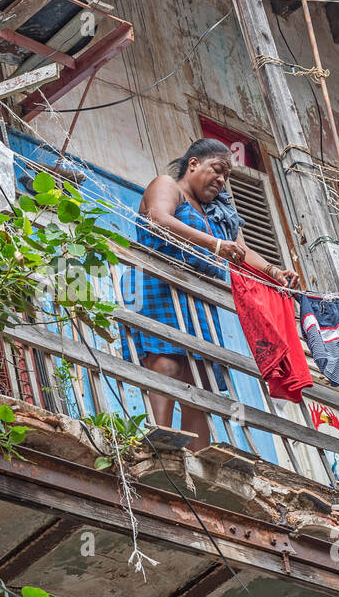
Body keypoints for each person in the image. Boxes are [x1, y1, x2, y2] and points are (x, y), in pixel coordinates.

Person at [124, 138, 299, 449]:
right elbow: (158, 218)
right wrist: (216, 245)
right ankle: (159, 442)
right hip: (162, 288)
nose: (221, 180)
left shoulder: (215, 215)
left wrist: (274, 271)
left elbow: (241, 251)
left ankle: (198, 453)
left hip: (199, 304)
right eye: (217, 170)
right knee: (167, 363)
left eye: (226, 176)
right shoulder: (168, 186)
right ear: (194, 164)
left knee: (200, 377)